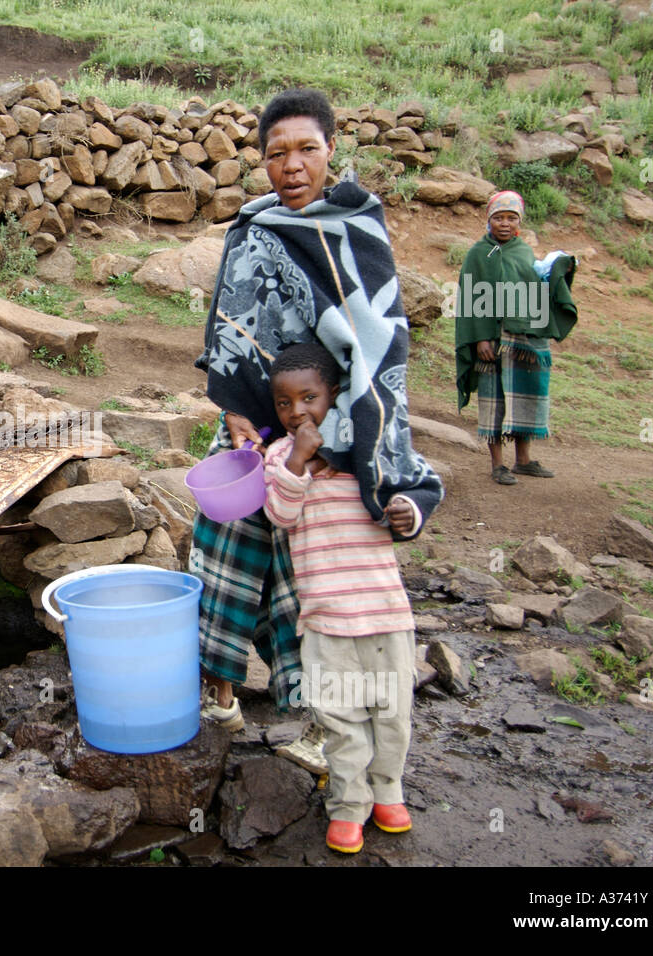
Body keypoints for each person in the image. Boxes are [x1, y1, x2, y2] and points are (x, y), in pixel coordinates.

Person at [193, 87, 442, 778]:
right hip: (251, 429)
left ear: (332, 150)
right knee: (223, 550)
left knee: (313, 581)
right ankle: (218, 696)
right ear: (262, 160)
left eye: (307, 149)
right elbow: (227, 329)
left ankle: (323, 728)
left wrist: (335, 436)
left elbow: (380, 341)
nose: (292, 166)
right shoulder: (252, 227)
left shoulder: (358, 229)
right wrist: (234, 405)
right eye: (277, 154)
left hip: (327, 440)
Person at [262, 342, 417, 854]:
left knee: (392, 711)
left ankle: (388, 791)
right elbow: (280, 516)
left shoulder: (365, 444)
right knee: (340, 718)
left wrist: (407, 512)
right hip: (325, 618)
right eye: (284, 403)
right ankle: (349, 805)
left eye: (309, 398)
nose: (296, 412)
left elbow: (410, 483)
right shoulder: (282, 458)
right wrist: (301, 460)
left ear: (334, 395)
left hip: (384, 612)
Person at [454, 190, 578, 484]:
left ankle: (524, 460)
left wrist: (560, 271)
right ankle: (498, 465)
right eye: (499, 217)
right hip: (493, 344)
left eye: (511, 218)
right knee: (493, 401)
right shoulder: (478, 254)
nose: (505, 223)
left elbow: (536, 289)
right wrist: (481, 338)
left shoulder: (524, 252)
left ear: (519, 221)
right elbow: (470, 298)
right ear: (489, 220)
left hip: (523, 342)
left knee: (527, 396)